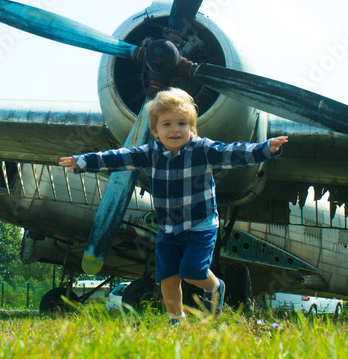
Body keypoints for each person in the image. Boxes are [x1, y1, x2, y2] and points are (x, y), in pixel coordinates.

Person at [59, 87, 288, 323]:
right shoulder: (149, 153)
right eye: (166, 124)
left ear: (192, 128)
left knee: (192, 272)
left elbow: (233, 153)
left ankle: (215, 287)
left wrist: (264, 149)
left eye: (182, 123)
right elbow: (118, 157)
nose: (175, 129)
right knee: (168, 277)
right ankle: (176, 320)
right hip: (168, 229)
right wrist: (83, 161)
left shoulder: (203, 150)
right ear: (155, 130)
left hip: (200, 226)